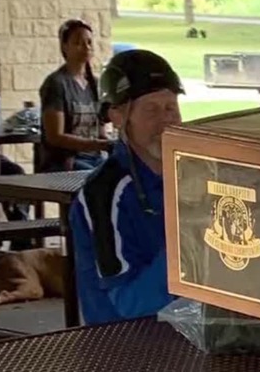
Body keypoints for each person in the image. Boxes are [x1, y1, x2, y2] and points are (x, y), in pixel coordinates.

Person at [68, 49, 184, 325]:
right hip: (124, 343)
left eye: (171, 107)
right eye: (151, 110)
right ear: (118, 117)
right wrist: (194, 246)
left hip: (187, 331)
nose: (166, 120)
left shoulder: (191, 175)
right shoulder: (105, 192)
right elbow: (129, 304)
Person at [38, 19, 109, 172]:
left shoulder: (95, 84)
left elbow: (100, 130)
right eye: (78, 42)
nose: (86, 47)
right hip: (66, 161)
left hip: (95, 157)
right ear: (64, 46)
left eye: (89, 42)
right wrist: (95, 144)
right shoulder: (56, 84)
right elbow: (55, 136)